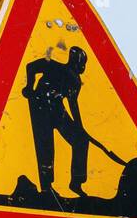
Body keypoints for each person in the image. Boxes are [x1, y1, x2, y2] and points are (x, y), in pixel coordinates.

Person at [21, 46, 89, 196]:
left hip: (58, 111)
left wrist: (80, 128)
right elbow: (31, 66)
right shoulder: (53, 66)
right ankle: (46, 187)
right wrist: (29, 88)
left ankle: (76, 182)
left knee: (81, 141)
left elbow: (73, 104)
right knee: (45, 148)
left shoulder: (76, 82)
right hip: (40, 108)